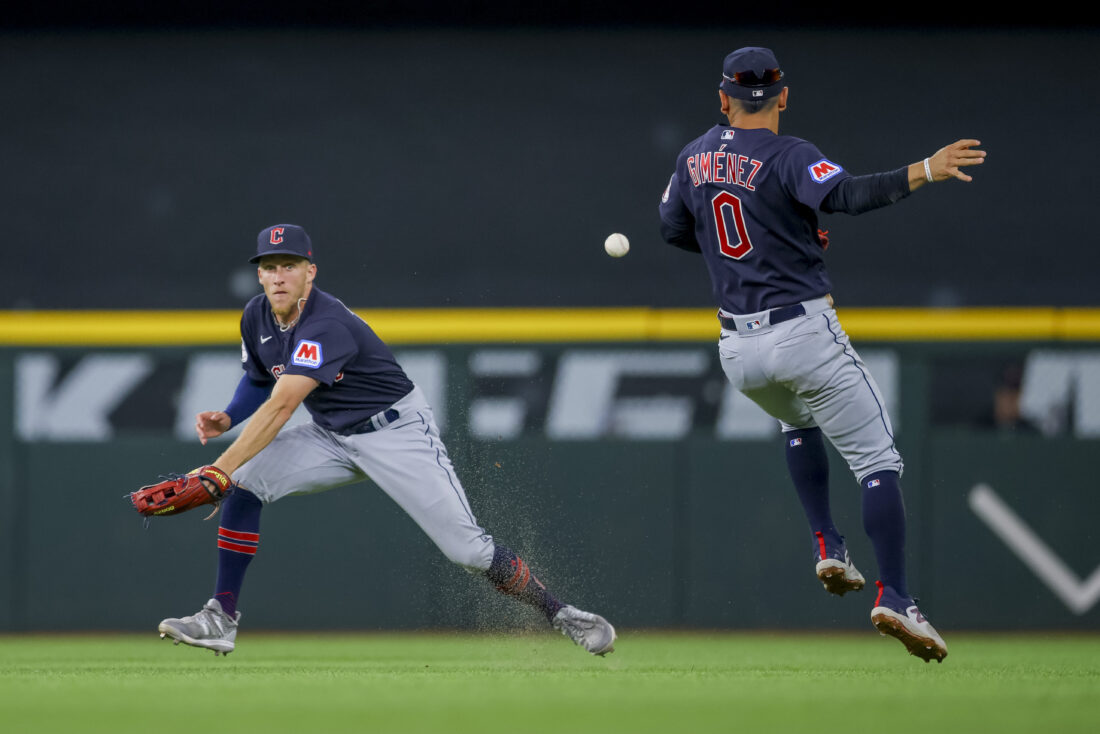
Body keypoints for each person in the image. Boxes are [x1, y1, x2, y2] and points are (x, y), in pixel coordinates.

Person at [657, 46, 986, 663]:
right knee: (877, 460)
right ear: (783, 96)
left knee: (796, 420)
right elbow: (850, 196)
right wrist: (928, 168)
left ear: (722, 99)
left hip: (738, 351)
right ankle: (897, 594)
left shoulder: (694, 154)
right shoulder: (788, 154)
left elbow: (675, 228)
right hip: (801, 332)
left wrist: (760, 242)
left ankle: (828, 543)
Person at [154, 224, 616, 657]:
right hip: (331, 435)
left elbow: (281, 406)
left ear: (310, 272)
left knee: (468, 551)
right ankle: (221, 618)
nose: (279, 276)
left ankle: (563, 613)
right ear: (259, 274)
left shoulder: (325, 323)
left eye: (289, 265)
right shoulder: (256, 315)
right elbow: (261, 379)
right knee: (243, 485)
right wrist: (230, 416)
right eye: (270, 267)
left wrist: (220, 465)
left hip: (396, 432)